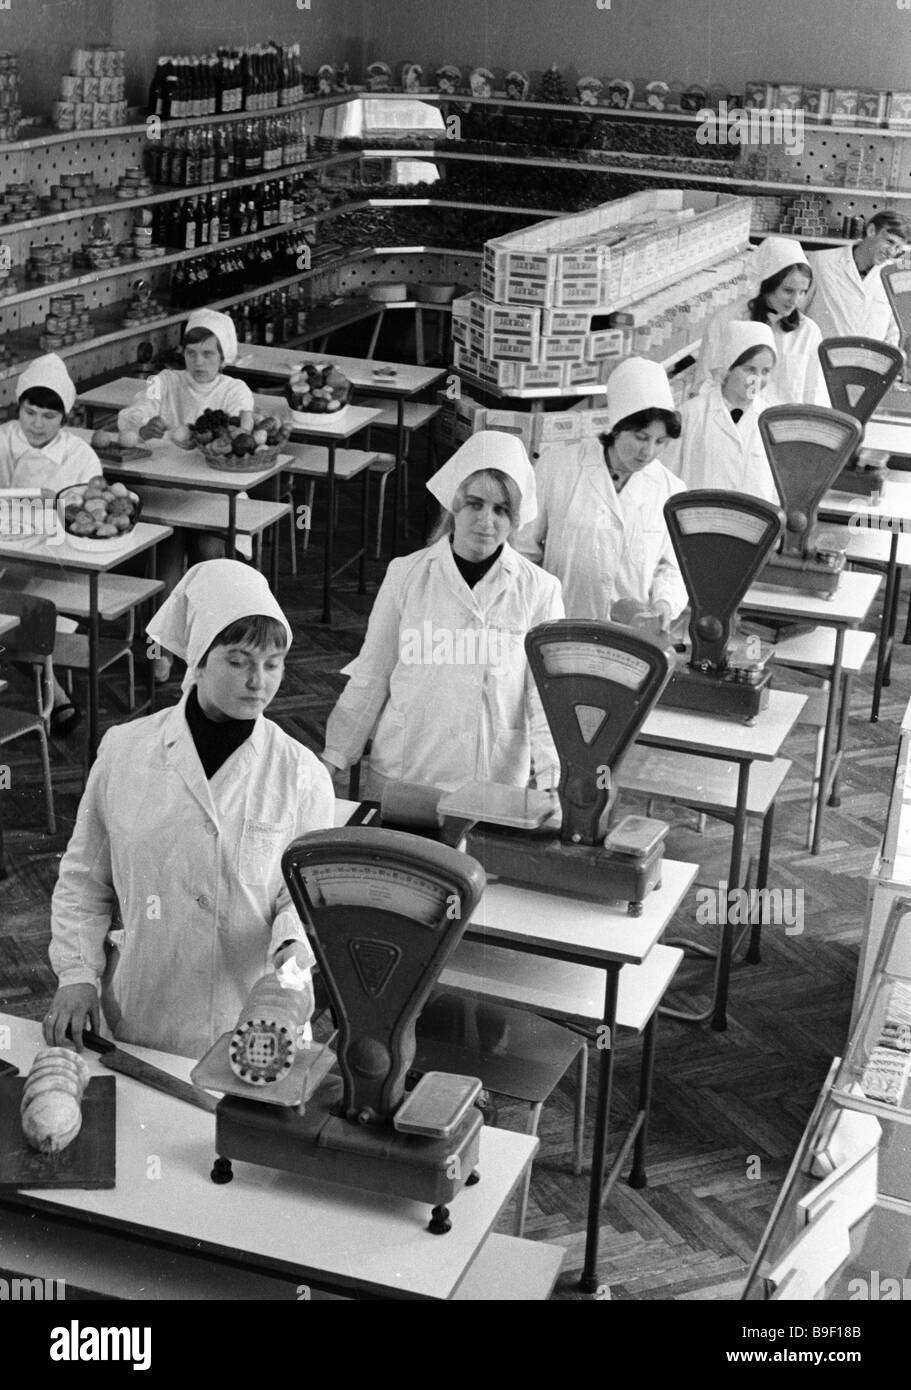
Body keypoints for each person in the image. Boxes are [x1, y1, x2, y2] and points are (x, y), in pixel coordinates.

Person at [44, 559, 335, 1058]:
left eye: (272, 664)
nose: (257, 682)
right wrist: (76, 975)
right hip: (142, 1012)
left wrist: (293, 953)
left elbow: (305, 898)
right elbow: (84, 880)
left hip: (255, 1025)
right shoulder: (125, 751)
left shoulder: (301, 774)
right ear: (198, 661)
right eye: (238, 661)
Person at [321, 431, 564, 798]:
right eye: (475, 504)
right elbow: (372, 673)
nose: (487, 521)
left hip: (491, 776)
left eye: (501, 510)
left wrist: (551, 778)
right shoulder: (406, 574)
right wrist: (333, 758)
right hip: (408, 766)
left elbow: (544, 695)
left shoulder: (540, 590)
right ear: (454, 504)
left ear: (515, 519)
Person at [117, 308, 256, 681]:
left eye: (209, 354)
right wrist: (145, 425)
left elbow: (238, 433)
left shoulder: (234, 390)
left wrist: (204, 435)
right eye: (191, 353)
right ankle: (159, 648)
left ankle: (205, 648)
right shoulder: (165, 380)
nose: (198, 362)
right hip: (170, 492)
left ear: (224, 355)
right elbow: (134, 412)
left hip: (216, 497)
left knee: (208, 557)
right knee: (166, 557)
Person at [517, 356, 687, 629]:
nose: (649, 452)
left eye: (660, 442)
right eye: (641, 438)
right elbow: (525, 548)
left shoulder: (671, 490)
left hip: (632, 632)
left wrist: (665, 603)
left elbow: (673, 567)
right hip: (558, 620)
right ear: (617, 427)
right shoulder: (559, 466)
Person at [0, 353, 105, 736]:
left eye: (49, 417)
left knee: (22, 609)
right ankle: (54, 694)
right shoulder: (1, 440)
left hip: (54, 561)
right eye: (30, 413)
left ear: (66, 419)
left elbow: (87, 517)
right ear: (18, 408)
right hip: (5, 552)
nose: (37, 425)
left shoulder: (79, 456)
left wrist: (57, 505)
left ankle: (53, 692)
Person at [694, 236, 826, 406]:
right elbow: (705, 382)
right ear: (767, 284)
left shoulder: (808, 331)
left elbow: (815, 394)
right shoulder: (727, 321)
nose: (795, 300)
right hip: (734, 424)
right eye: (788, 290)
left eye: (802, 292)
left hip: (784, 427)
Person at [666, 320, 779, 504]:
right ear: (728, 367)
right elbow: (668, 479)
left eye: (765, 371)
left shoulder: (773, 420)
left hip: (754, 526)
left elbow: (776, 491)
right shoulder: (690, 414)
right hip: (699, 522)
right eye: (749, 369)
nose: (756, 379)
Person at [807, 211, 911, 346]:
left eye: (898, 247)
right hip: (821, 360)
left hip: (870, 363)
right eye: (889, 242)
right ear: (871, 231)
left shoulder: (894, 276)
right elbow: (798, 311)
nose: (891, 252)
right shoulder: (822, 262)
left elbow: (894, 331)